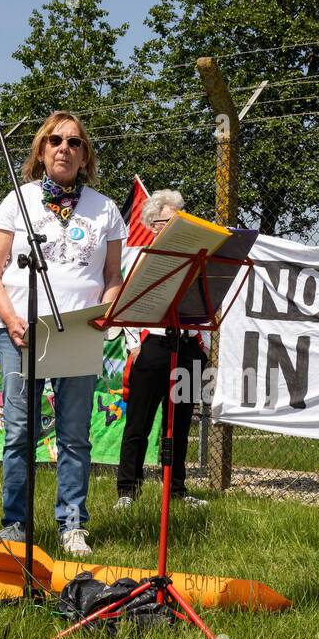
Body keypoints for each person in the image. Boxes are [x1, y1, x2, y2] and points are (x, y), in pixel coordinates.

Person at [0, 111, 127, 557]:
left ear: (85, 157)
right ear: (41, 151)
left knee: (74, 433)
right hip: (22, 330)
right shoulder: (17, 200)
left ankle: (73, 523)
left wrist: (107, 313)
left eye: (74, 142)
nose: (64, 148)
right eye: (55, 140)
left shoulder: (105, 209)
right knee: (20, 432)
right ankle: (14, 525)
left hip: (79, 332)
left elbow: (112, 274)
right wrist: (9, 318)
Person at [114, 189, 209, 510]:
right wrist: (133, 346)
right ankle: (128, 491)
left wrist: (204, 346)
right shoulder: (140, 258)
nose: (176, 226)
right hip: (152, 345)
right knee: (138, 423)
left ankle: (177, 490)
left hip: (188, 346)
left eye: (180, 220)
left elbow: (209, 303)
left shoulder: (196, 257)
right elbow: (125, 304)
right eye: (170, 221)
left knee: (181, 422)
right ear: (153, 225)